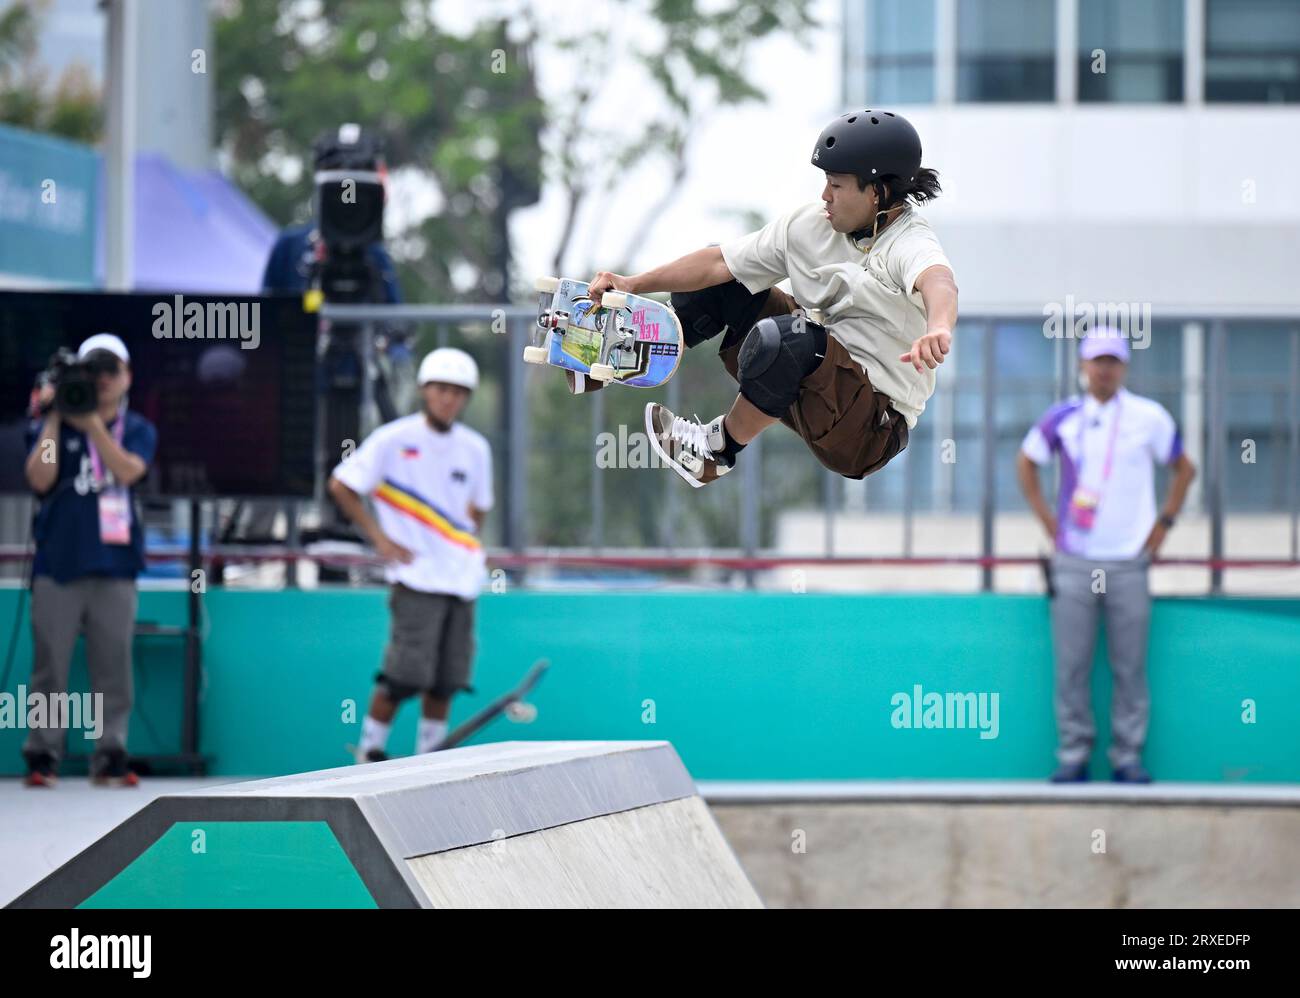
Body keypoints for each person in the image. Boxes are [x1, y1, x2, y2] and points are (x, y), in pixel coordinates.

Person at [576, 109, 958, 488]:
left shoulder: (909, 241)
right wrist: (632, 284)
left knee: (789, 338)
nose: (824, 196)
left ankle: (714, 451)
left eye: (837, 186)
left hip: (869, 427)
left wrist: (938, 327)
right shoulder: (808, 225)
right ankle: (625, 353)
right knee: (722, 283)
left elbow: (938, 281)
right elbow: (716, 264)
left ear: (877, 192)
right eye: (825, 182)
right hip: (816, 387)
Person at [1017, 328, 1197, 784]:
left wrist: (1164, 525)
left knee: (1129, 666)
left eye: (1113, 361)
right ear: (1082, 365)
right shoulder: (1064, 417)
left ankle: (1127, 757)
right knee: (1072, 665)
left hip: (1128, 561)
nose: (1104, 369)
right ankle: (1074, 756)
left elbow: (1184, 467)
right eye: (1097, 360)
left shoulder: (1147, 417)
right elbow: (1026, 461)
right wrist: (1047, 520)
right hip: (1074, 561)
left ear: (1124, 368)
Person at [327, 348, 493, 762]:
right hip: (416, 576)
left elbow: (479, 508)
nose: (448, 399)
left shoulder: (475, 448)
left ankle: (428, 760)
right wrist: (379, 539)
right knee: (404, 676)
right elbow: (342, 485)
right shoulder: (393, 439)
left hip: (462, 579)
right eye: (441, 389)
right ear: (424, 390)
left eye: (458, 392)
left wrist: (464, 549)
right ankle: (368, 752)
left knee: (446, 680)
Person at [22, 333, 158, 788]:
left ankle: (111, 752)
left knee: (113, 666)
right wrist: (59, 417)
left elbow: (128, 471)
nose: (101, 379)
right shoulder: (52, 426)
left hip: (114, 568)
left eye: (110, 370)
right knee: (49, 668)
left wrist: (94, 422)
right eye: (92, 371)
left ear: (127, 377)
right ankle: (42, 754)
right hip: (57, 566)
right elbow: (40, 478)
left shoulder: (136, 428)